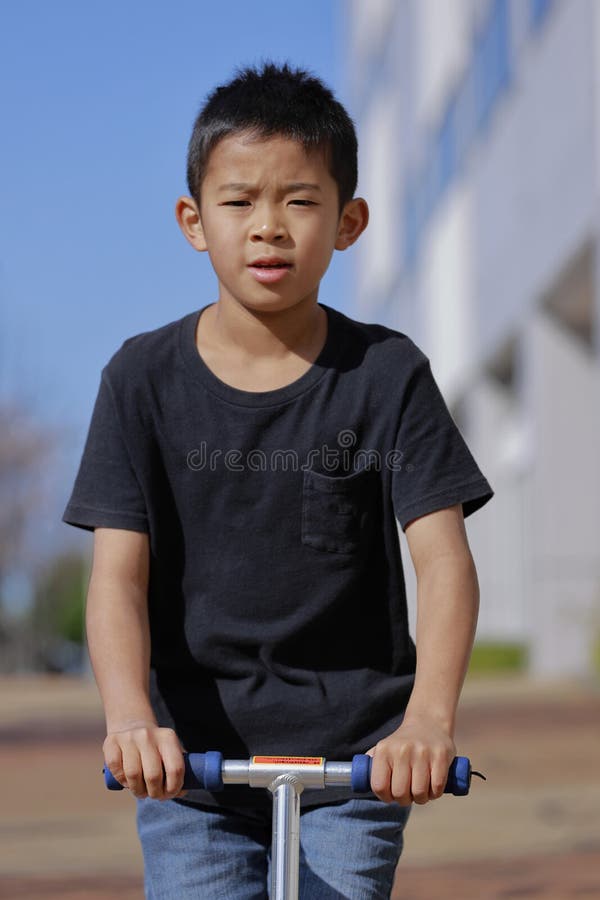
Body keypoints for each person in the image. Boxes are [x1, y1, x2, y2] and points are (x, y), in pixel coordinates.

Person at [63, 62, 493, 900]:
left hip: (356, 761)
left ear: (349, 221)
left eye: (300, 201)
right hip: (189, 764)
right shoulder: (139, 380)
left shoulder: (387, 374)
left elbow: (443, 562)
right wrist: (130, 720)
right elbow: (118, 577)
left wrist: (426, 723)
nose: (269, 228)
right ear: (193, 220)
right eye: (239, 202)